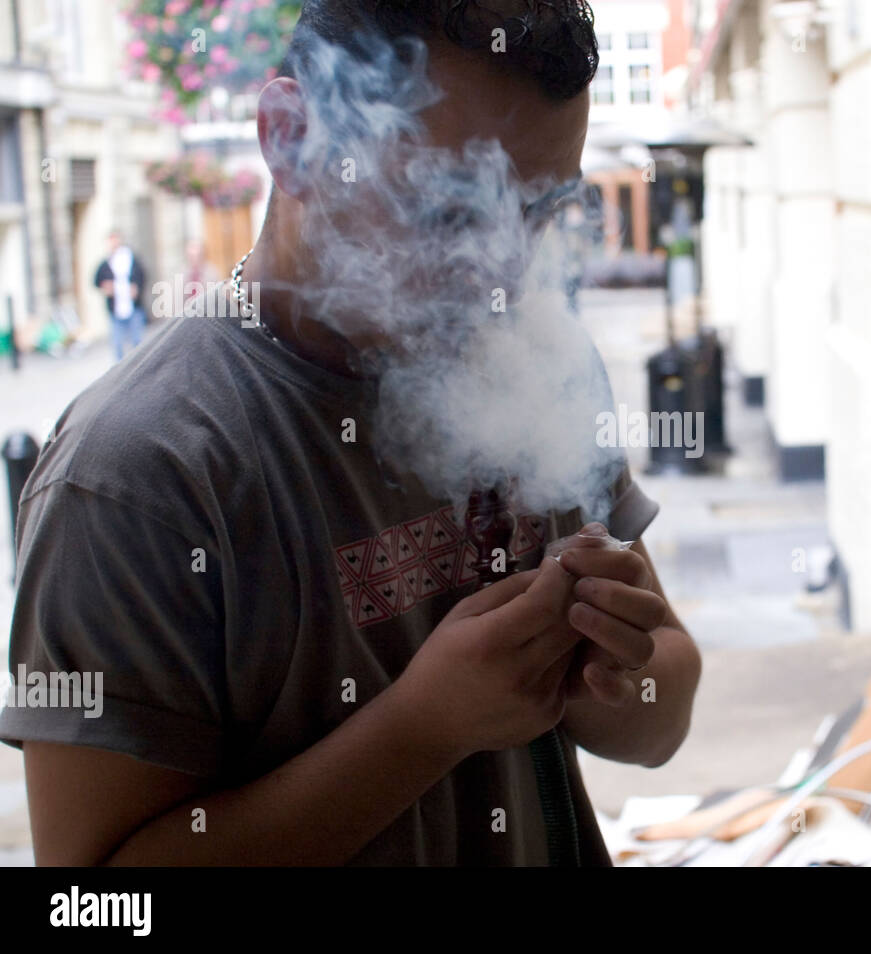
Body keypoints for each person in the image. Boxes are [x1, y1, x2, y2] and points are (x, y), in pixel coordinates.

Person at [1, 0, 701, 866]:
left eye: (542, 209)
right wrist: (423, 730)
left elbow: (658, 718)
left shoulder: (544, 360)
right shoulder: (136, 474)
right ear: (290, 138)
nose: (504, 269)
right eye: (451, 210)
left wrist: (611, 673)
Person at [92, 229, 146, 359]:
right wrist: (105, 287)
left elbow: (142, 276)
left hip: (133, 307)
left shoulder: (131, 259)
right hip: (115, 309)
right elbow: (96, 281)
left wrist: (136, 288)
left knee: (137, 342)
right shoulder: (106, 263)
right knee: (117, 344)